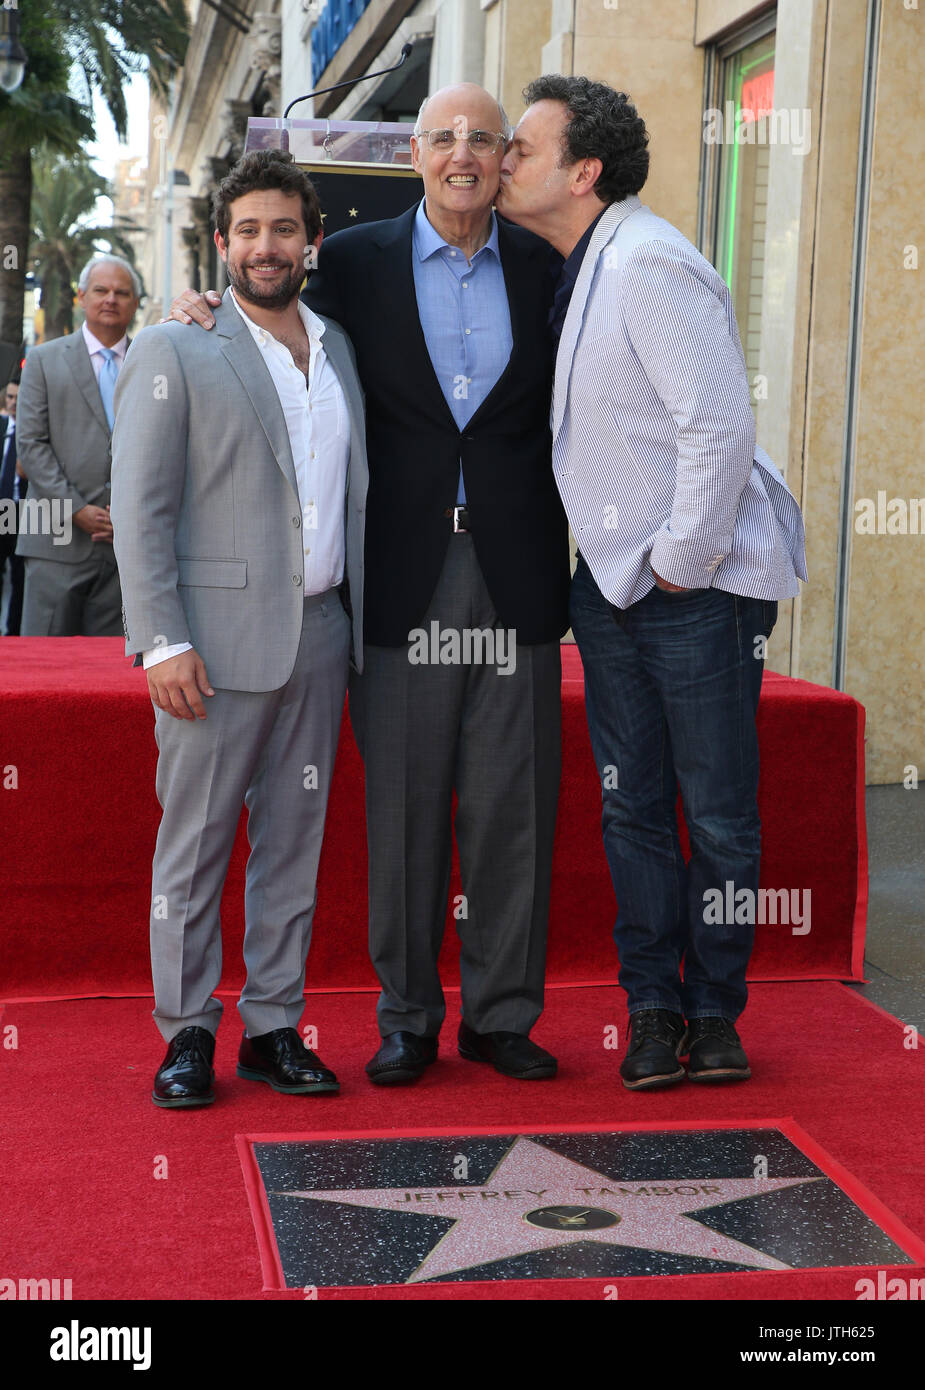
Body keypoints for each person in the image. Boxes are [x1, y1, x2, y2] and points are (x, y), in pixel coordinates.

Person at [169, 84, 570, 1086]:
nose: (463, 155)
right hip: (398, 577)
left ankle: (501, 1014)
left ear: (507, 158)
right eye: (444, 138)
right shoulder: (349, 262)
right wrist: (204, 308)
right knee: (404, 807)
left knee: (510, 807)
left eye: (484, 139)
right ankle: (408, 1018)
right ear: (415, 155)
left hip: (516, 573)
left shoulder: (547, 267)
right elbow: (270, 327)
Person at [496, 75, 807, 1090]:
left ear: (582, 172)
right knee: (631, 809)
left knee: (715, 811)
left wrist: (677, 565)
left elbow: (716, 428)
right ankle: (653, 1008)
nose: (503, 162)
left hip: (691, 587)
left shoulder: (648, 262)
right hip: (615, 586)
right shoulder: (576, 260)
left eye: (523, 149)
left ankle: (714, 1010)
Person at [111, 150, 368, 1107]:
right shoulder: (178, 346)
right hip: (210, 648)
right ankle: (184, 1032)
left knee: (293, 841)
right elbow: (137, 507)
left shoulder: (340, 347)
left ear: (311, 240)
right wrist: (161, 639)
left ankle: (271, 1027)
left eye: (285, 229)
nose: (268, 247)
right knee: (197, 842)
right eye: (249, 230)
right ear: (221, 244)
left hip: (322, 635)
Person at [16, 257, 140, 635]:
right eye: (101, 291)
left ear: (135, 302)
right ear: (81, 297)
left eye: (122, 292)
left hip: (127, 554)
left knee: (112, 682)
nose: (111, 299)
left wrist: (131, 517)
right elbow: (31, 443)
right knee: (43, 675)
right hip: (56, 546)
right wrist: (74, 509)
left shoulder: (155, 363)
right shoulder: (43, 360)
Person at [0, 379, 26, 635]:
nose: (14, 402)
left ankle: (13, 635)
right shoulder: (1, 427)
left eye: (19, 397)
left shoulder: (35, 431)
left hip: (25, 514)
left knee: (20, 578)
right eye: (10, 397)